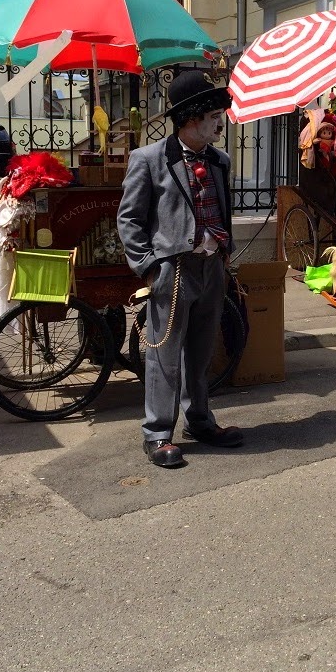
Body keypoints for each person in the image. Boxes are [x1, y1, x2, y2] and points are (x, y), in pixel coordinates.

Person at [117, 70, 243, 468]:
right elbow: (129, 219)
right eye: (214, 115)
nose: (221, 121)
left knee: (201, 353)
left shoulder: (219, 161)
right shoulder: (148, 160)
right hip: (171, 272)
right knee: (164, 357)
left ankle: (200, 421)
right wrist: (149, 267)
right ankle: (157, 434)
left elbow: (220, 210)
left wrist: (224, 252)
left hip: (210, 269)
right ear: (192, 118)